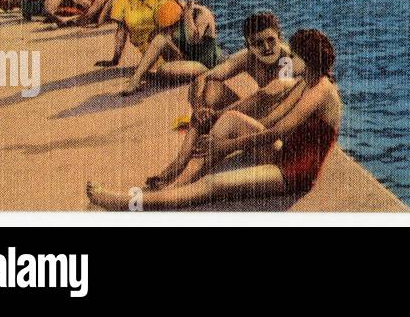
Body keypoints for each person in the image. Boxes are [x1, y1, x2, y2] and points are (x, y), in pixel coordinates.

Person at [87, 29, 342, 209]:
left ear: (307, 61)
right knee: (231, 119)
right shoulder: (304, 82)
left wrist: (226, 145)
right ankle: (181, 183)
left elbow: (276, 132)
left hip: (293, 173)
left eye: (295, 56)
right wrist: (223, 126)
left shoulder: (320, 91)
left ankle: (126, 202)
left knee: (213, 185)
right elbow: (273, 119)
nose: (289, 58)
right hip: (284, 153)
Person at [145, 12, 295, 189]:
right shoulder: (247, 57)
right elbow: (203, 78)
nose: (267, 47)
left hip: (277, 141)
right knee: (212, 87)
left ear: (280, 36)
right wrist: (200, 108)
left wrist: (215, 115)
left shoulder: (289, 61)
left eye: (271, 40)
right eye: (258, 43)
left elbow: (264, 96)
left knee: (226, 116)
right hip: (257, 126)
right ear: (248, 46)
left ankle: (184, 178)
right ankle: (178, 165)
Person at [120, 0, 223, 95]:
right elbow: (160, 37)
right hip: (186, 57)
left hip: (204, 64)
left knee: (164, 70)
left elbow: (193, 40)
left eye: (174, 24)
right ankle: (136, 79)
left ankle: (159, 76)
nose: (173, 28)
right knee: (160, 38)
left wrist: (188, 15)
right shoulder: (174, 16)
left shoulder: (202, 13)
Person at [96, 0, 182, 70]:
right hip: (152, 52)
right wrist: (115, 60)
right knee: (164, 70)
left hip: (171, 45)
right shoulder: (122, 1)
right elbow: (121, 32)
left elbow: (174, 22)